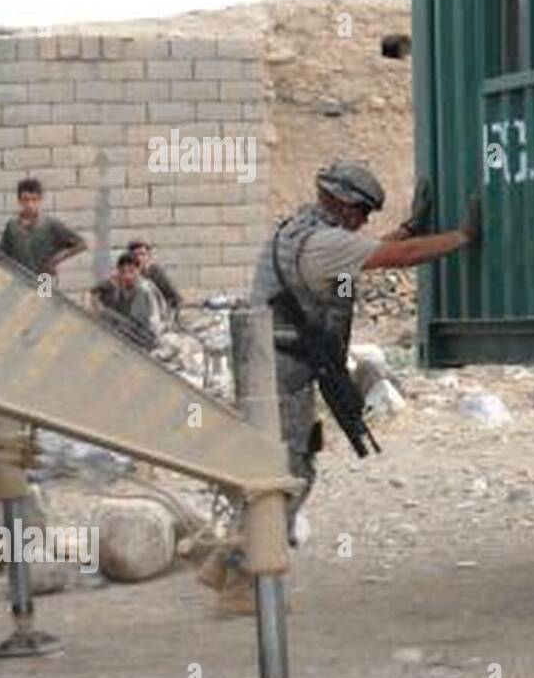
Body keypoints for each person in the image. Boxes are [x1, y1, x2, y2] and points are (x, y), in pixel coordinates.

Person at [200, 161, 481, 615]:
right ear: (344, 205)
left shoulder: (301, 231)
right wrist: (463, 238)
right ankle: (241, 583)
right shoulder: (325, 242)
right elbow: (396, 258)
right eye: (362, 212)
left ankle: (225, 561)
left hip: (272, 362)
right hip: (282, 366)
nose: (364, 222)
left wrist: (411, 228)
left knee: (273, 466)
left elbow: (368, 253)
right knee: (286, 475)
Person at [0, 177, 86, 280]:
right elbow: (2, 256)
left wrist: (55, 260)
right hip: (19, 280)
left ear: (40, 200)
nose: (30, 204)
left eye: (34, 199)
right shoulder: (12, 226)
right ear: (19, 201)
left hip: (44, 278)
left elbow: (81, 244)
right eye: (26, 200)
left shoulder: (50, 224)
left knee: (44, 296)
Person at [91, 252, 162, 350]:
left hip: (147, 335)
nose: (127, 276)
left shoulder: (142, 289)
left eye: (131, 271)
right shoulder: (123, 286)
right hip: (134, 329)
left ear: (138, 270)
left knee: (106, 316)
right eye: (123, 272)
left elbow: (136, 321)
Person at [127, 240, 182, 326]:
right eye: (135, 255)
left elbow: (175, 298)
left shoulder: (155, 271)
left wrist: (171, 320)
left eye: (142, 254)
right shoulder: (127, 274)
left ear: (148, 256)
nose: (139, 258)